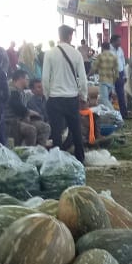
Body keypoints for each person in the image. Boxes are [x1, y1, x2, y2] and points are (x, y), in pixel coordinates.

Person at [43, 24, 88, 163]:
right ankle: (80, 158)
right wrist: (83, 96)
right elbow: (83, 79)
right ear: (70, 36)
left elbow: (45, 78)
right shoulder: (76, 54)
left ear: (59, 35)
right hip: (71, 98)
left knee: (56, 131)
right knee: (75, 130)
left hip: (55, 98)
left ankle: (58, 161)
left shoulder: (50, 53)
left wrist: (48, 95)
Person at [7, 69, 51, 147]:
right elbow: (18, 108)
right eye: (27, 79)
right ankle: (27, 154)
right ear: (21, 79)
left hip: (21, 120)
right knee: (31, 130)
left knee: (45, 127)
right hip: (11, 122)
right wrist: (30, 113)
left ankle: (38, 151)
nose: (28, 81)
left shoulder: (22, 92)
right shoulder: (11, 90)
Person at [92, 40, 119, 111]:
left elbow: (94, 68)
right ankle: (105, 114)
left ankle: (114, 113)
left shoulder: (100, 56)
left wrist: (88, 75)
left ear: (102, 47)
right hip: (111, 81)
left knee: (104, 99)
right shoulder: (113, 57)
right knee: (105, 99)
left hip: (103, 80)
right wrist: (114, 81)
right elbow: (116, 71)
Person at [110, 34, 128, 119]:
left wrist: (125, 75)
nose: (120, 43)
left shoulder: (120, 49)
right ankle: (110, 114)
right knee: (110, 94)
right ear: (113, 41)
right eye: (118, 41)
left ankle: (124, 114)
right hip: (111, 74)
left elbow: (123, 62)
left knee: (121, 94)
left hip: (120, 73)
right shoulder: (108, 49)